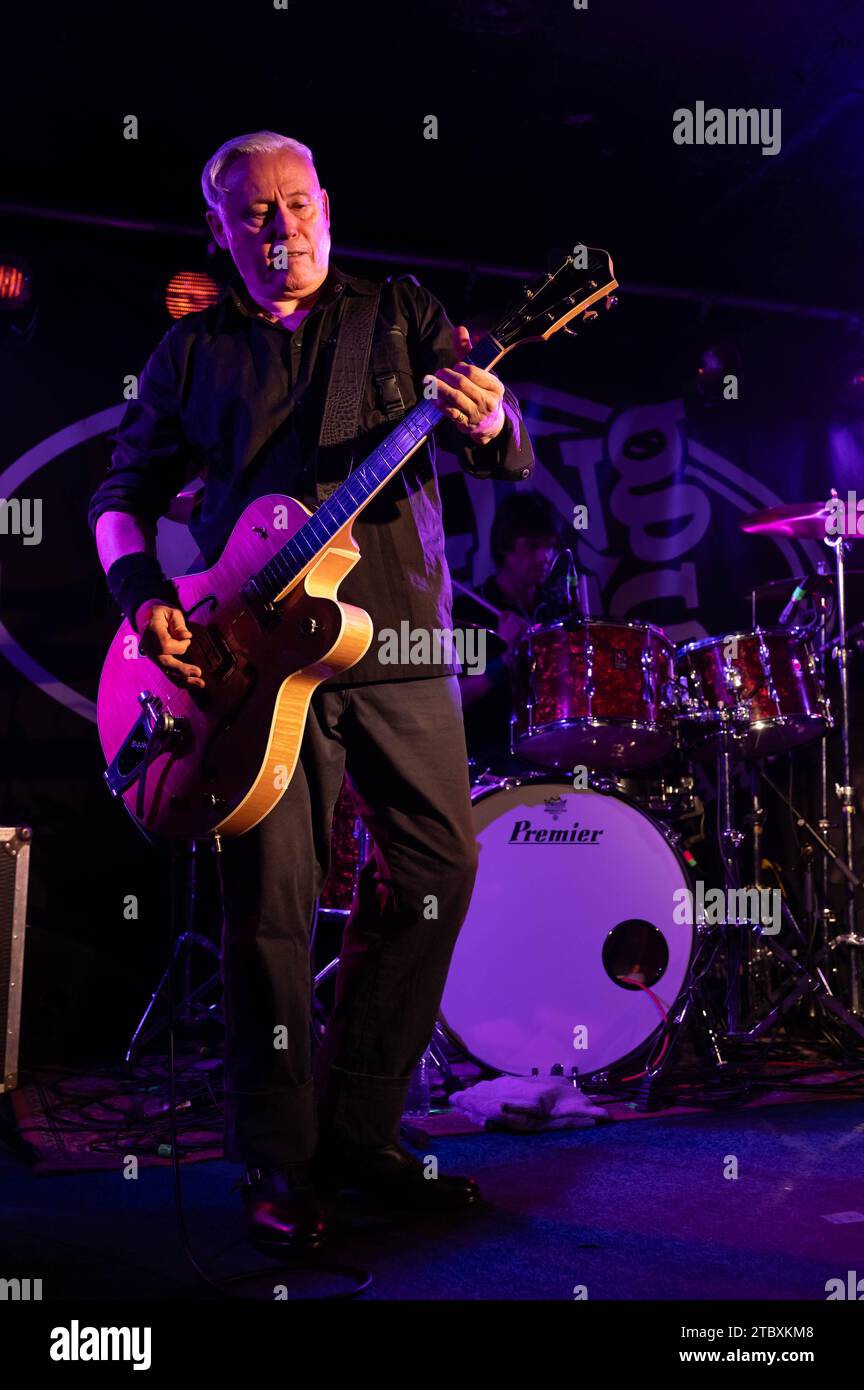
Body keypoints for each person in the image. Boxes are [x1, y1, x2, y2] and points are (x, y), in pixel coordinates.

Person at [88, 131, 535, 1251]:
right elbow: (118, 496)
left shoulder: (402, 314)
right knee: (269, 916)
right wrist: (147, 600)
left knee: (439, 868)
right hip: (253, 666)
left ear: (327, 206)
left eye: (296, 205)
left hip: (396, 643)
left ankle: (361, 1130)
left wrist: (490, 419)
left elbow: (499, 450)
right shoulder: (191, 353)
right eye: (256, 215)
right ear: (223, 231)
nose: (281, 229)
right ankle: (276, 1161)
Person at [453, 491, 564, 776]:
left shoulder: (556, 613)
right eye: (531, 546)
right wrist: (506, 660)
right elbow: (455, 699)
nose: (544, 557)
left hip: (553, 760)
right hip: (487, 768)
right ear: (505, 546)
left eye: (549, 547)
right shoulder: (469, 614)